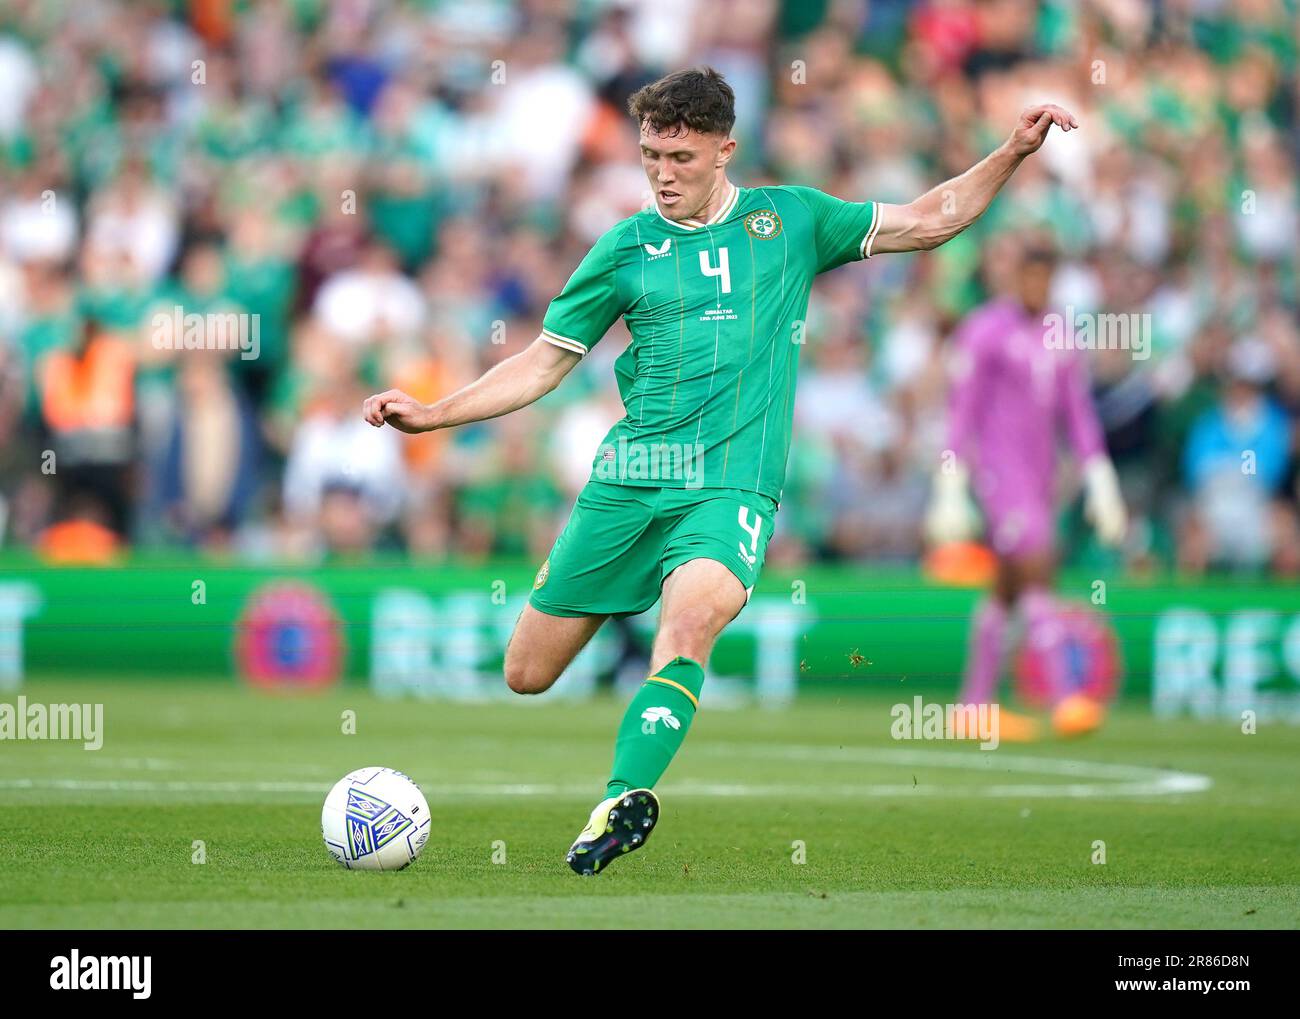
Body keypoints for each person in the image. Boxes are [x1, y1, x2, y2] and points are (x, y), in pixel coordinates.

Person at [363, 67, 1078, 874]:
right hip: (629, 480)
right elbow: (541, 364)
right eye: (650, 157)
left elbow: (928, 218)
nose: (663, 175)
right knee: (527, 670)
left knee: (687, 628)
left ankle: (618, 799)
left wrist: (1012, 151)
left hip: (731, 487)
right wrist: (433, 415)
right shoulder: (625, 248)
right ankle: (590, 596)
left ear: (725, 150)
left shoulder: (791, 220)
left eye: (681, 157)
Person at [925, 240, 1127, 739]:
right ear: (1015, 277)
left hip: (1040, 480)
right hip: (998, 474)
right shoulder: (985, 331)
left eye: (1045, 279)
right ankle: (1065, 699)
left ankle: (972, 706)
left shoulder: (1062, 334)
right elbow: (962, 412)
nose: (1037, 288)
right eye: (1029, 277)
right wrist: (949, 484)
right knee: (1038, 574)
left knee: (1007, 590)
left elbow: (1077, 414)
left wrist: (1100, 477)